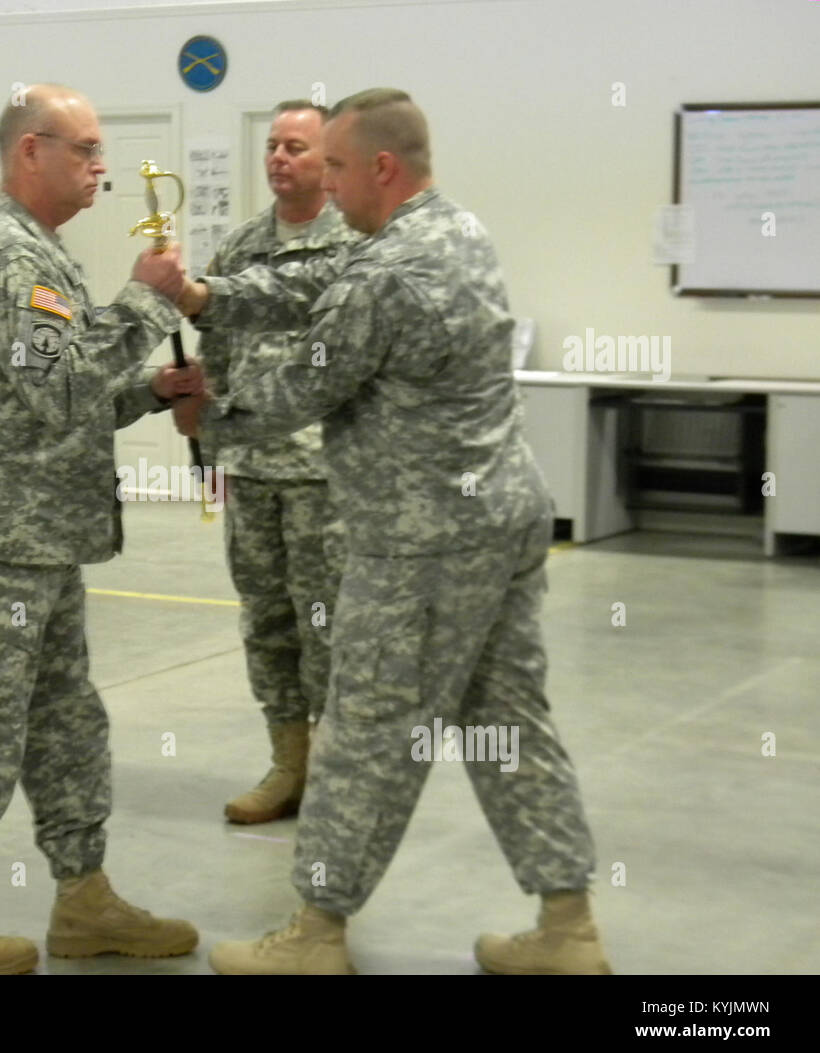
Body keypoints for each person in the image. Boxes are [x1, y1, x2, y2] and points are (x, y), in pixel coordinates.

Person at [174, 88, 610, 976]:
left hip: (422, 542)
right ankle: (568, 925)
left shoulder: (383, 274)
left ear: (381, 167)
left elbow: (301, 386)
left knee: (369, 731)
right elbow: (315, 299)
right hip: (502, 519)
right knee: (511, 722)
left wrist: (205, 419)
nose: (325, 185)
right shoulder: (460, 233)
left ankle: (317, 931)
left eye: (334, 165)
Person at [0, 83, 201, 976]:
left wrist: (149, 389)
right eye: (85, 149)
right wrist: (147, 306)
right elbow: (58, 388)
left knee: (66, 723)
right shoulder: (6, 256)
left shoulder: (41, 252)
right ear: (31, 151)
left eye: (102, 150)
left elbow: (59, 391)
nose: (101, 165)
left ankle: (83, 896)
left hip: (39, 538)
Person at [195, 100, 357, 825]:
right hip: (255, 468)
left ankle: (333, 769)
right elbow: (219, 355)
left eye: (296, 146)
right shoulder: (240, 247)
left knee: (329, 625)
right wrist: (211, 437)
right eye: (272, 146)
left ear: (330, 160)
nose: (279, 159)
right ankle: (286, 763)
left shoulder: (354, 243)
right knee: (266, 620)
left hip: (326, 473)